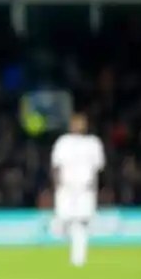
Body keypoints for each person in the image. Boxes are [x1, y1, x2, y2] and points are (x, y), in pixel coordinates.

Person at [51, 112, 105, 267]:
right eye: (76, 123)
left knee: (81, 222)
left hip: (85, 189)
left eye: (81, 123)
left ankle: (78, 258)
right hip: (66, 188)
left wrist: (96, 188)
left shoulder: (93, 143)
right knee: (63, 223)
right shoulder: (63, 142)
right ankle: (73, 246)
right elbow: (56, 166)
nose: (78, 126)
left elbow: (98, 168)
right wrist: (57, 186)